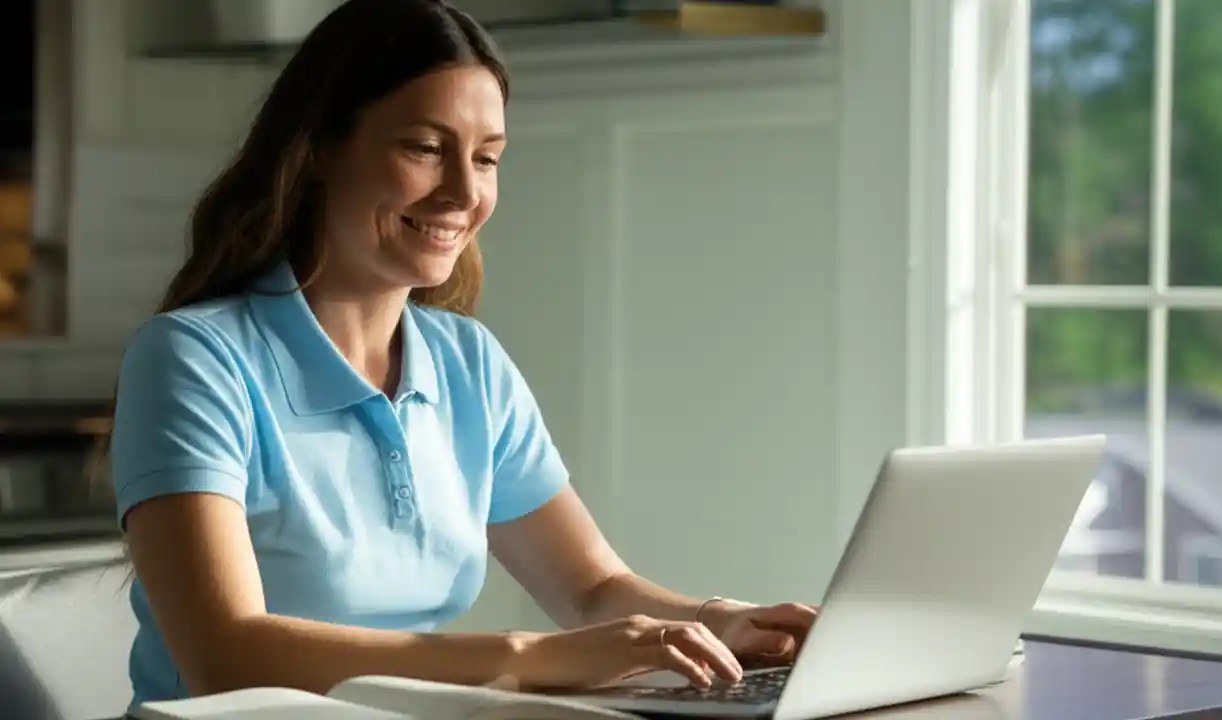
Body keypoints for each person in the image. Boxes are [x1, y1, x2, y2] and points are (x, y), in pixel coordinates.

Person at [107, 0, 816, 709]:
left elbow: (590, 587)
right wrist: (530, 657)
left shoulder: (467, 362)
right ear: (320, 145)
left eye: (486, 158)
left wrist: (713, 621)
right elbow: (226, 657)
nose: (464, 192)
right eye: (423, 147)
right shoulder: (194, 359)